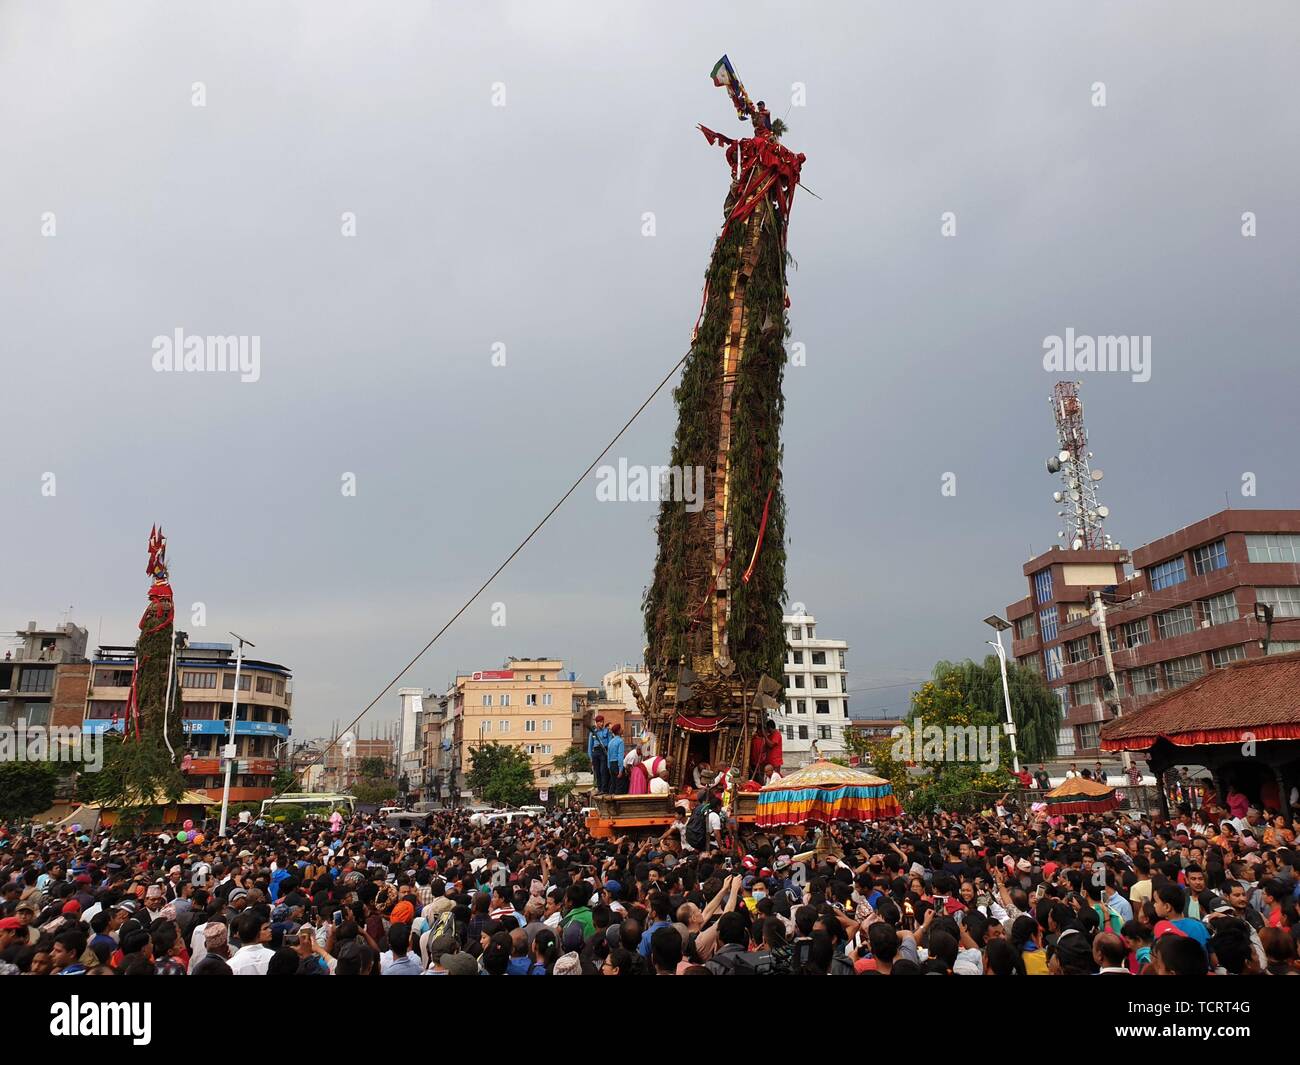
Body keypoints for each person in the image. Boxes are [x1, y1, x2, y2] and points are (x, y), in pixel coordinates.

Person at [588, 715, 611, 794]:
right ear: (596, 723)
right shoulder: (593, 733)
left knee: (603, 770)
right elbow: (590, 746)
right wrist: (590, 758)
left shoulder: (606, 731)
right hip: (596, 752)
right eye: (600, 722)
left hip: (603, 751)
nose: (601, 723)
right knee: (597, 771)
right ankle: (599, 788)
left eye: (602, 722)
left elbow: (610, 743)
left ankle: (604, 789)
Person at [606, 723, 627, 794]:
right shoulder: (620, 741)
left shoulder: (610, 742)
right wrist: (621, 770)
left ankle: (610, 801)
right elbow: (620, 756)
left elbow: (608, 756)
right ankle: (617, 804)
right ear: (618, 731)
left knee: (613, 784)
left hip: (611, 765)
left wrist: (609, 767)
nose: (622, 730)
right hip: (617, 765)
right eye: (621, 729)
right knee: (620, 785)